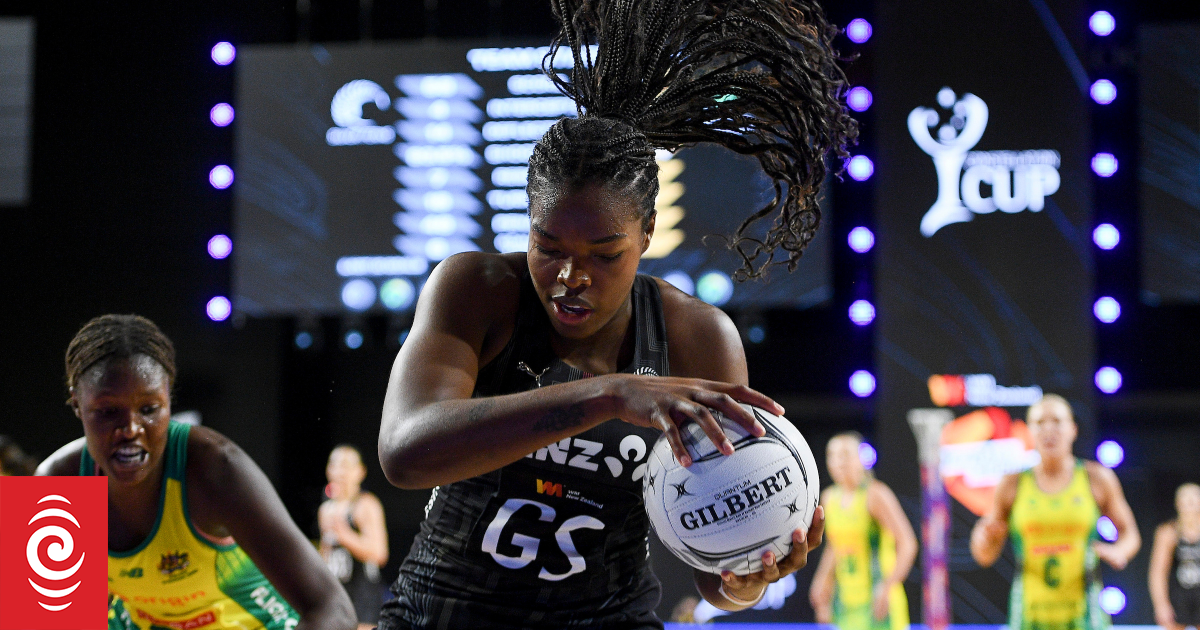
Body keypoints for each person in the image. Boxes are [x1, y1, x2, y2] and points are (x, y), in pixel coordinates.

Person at [374, 0, 856, 626]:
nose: (571, 277)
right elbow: (404, 454)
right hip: (444, 613)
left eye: (604, 255)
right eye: (548, 248)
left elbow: (716, 581)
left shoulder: (694, 335)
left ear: (648, 234)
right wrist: (610, 395)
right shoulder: (477, 287)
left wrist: (749, 574)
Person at [37, 314, 356, 630]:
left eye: (149, 409)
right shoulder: (52, 485)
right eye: (108, 412)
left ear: (169, 403)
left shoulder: (216, 469)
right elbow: (42, 622)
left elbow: (334, 610)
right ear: (77, 404)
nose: (131, 429)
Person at [971, 394, 1141, 630]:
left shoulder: (1095, 478)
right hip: (1030, 613)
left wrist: (1119, 551)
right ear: (1029, 431)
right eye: (1040, 423)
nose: (1049, 430)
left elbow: (1130, 534)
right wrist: (985, 538)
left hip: (1084, 614)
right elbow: (984, 555)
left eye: (1057, 421)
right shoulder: (1013, 483)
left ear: (1073, 429)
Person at [809, 432, 917, 630]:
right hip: (846, 603)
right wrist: (822, 580)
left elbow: (908, 543)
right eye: (832, 455)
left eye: (845, 455)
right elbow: (835, 545)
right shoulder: (829, 498)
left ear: (861, 458)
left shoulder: (875, 494)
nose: (838, 462)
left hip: (879, 603)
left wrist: (888, 587)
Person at [320, 445, 389, 630]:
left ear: (360, 472)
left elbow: (379, 553)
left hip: (363, 598)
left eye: (346, 465)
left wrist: (345, 534)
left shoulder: (366, 505)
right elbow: (326, 556)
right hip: (337, 597)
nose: (340, 471)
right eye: (335, 464)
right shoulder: (325, 510)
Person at [1150, 483, 1200, 630]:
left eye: (1193, 500)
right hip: (1178, 596)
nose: (1188, 505)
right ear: (1177, 503)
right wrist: (1160, 604)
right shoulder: (1168, 532)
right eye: (1184, 500)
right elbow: (1158, 572)